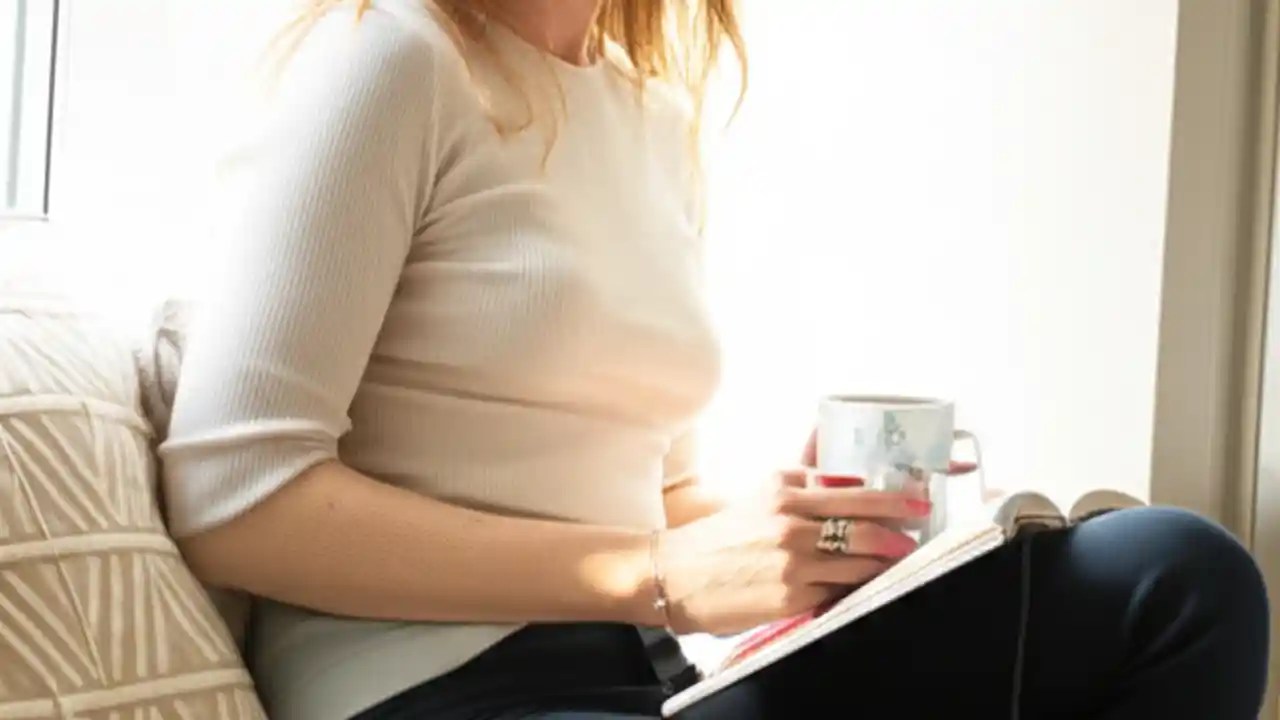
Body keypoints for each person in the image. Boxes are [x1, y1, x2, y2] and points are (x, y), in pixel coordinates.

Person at [159, 0, 1270, 718]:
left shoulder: (648, 118)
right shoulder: (389, 58)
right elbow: (236, 496)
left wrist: (808, 527)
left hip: (647, 680)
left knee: (1176, 579)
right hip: (430, 696)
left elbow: (653, 485)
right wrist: (650, 573)